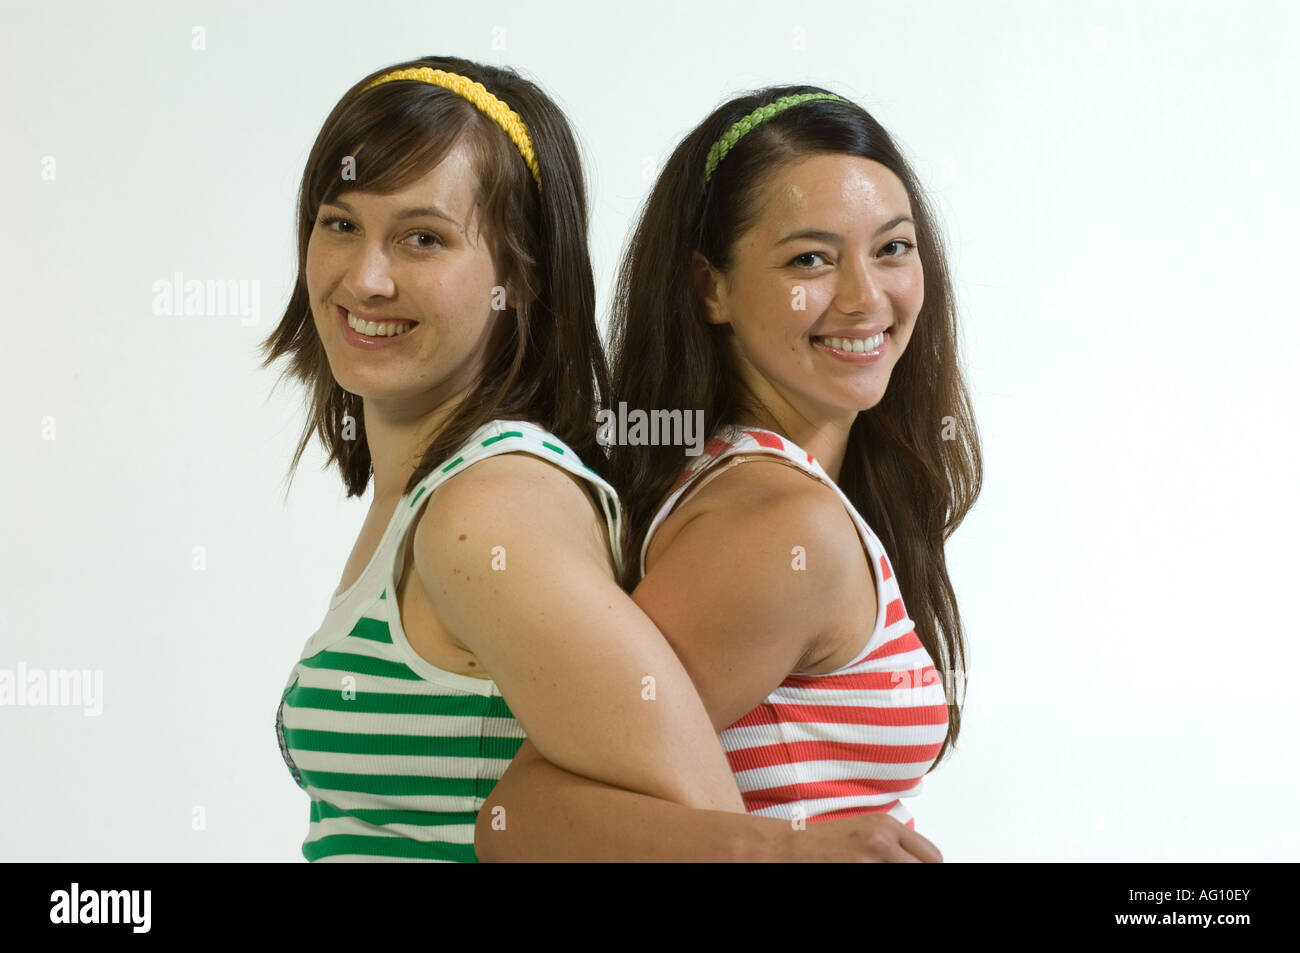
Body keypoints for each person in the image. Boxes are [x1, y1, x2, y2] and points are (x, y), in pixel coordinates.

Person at [262, 55, 752, 861]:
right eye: (340, 223)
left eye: (423, 237)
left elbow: (705, 825)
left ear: (521, 277)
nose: (366, 277)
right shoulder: (431, 497)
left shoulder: (489, 507)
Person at [477, 86, 982, 861]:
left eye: (892, 248)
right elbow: (524, 818)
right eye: (809, 258)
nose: (864, 296)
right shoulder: (785, 528)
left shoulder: (776, 493)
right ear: (711, 286)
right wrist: (781, 852)